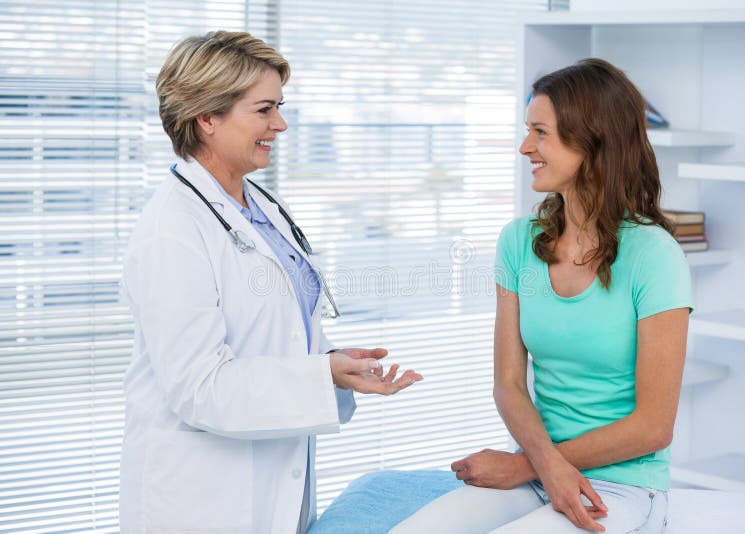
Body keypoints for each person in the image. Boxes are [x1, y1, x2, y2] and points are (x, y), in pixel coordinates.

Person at [118, 30, 422, 534]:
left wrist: (331, 364)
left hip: (274, 477)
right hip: (203, 500)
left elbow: (276, 333)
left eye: (279, 108)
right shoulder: (170, 231)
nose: (279, 125)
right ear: (208, 117)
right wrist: (318, 377)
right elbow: (200, 387)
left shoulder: (260, 209)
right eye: (264, 110)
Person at [391, 58, 691, 533]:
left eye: (540, 133)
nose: (525, 146)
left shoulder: (654, 256)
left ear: (591, 139)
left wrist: (527, 465)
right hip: (535, 470)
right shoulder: (518, 242)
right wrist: (541, 467)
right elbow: (508, 383)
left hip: (620, 486)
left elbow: (654, 426)